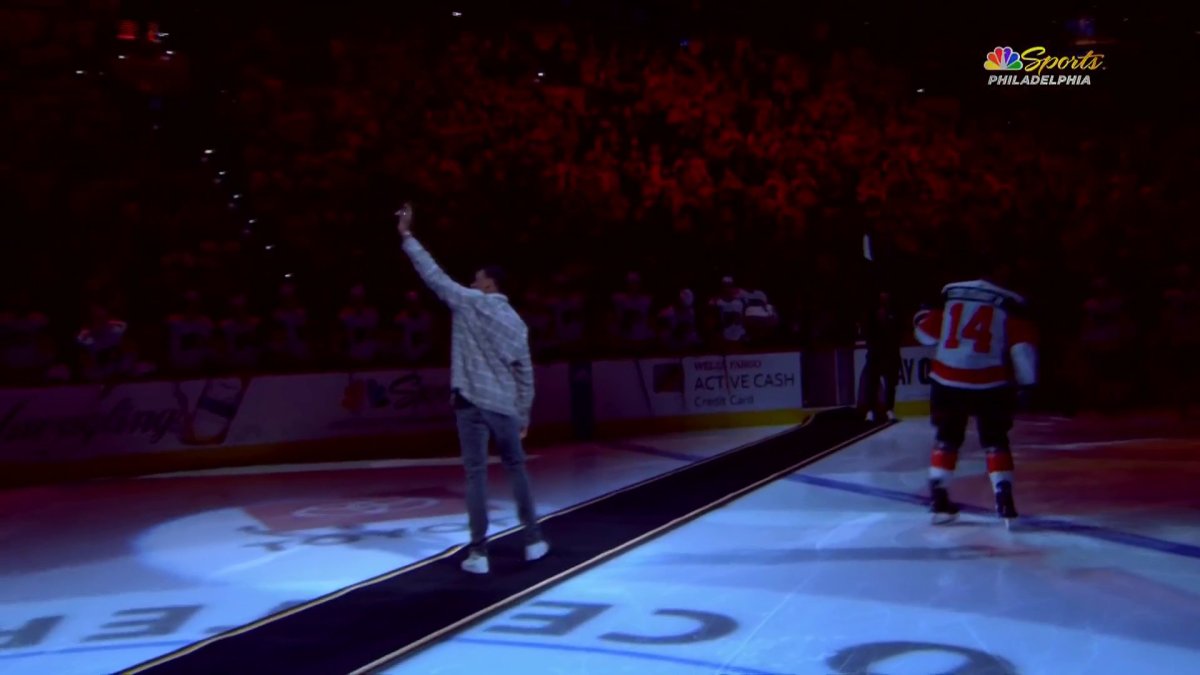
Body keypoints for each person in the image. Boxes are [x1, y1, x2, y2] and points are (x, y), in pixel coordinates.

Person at [395, 203, 548, 574]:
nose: (471, 283)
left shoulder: (468, 303)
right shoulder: (516, 323)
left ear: (489, 284)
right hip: (503, 405)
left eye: (476, 279)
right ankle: (532, 540)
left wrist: (407, 236)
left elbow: (433, 275)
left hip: (469, 402)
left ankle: (479, 553)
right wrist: (524, 412)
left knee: (475, 474)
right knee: (516, 468)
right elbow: (524, 373)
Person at [913, 265, 1037, 526]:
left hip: (947, 378)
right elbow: (1022, 349)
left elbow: (924, 335)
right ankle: (1004, 501)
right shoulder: (1011, 304)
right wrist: (1028, 384)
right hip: (989, 381)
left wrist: (922, 314)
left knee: (946, 439)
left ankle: (939, 499)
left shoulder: (951, 294)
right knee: (995, 441)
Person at [859, 290, 902, 422]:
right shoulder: (871, 313)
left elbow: (898, 331)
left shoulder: (894, 312)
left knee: (891, 383)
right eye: (883, 293)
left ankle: (889, 409)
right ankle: (871, 410)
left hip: (891, 353)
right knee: (871, 383)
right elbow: (867, 331)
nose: (885, 295)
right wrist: (873, 346)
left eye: (887, 293)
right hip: (875, 353)